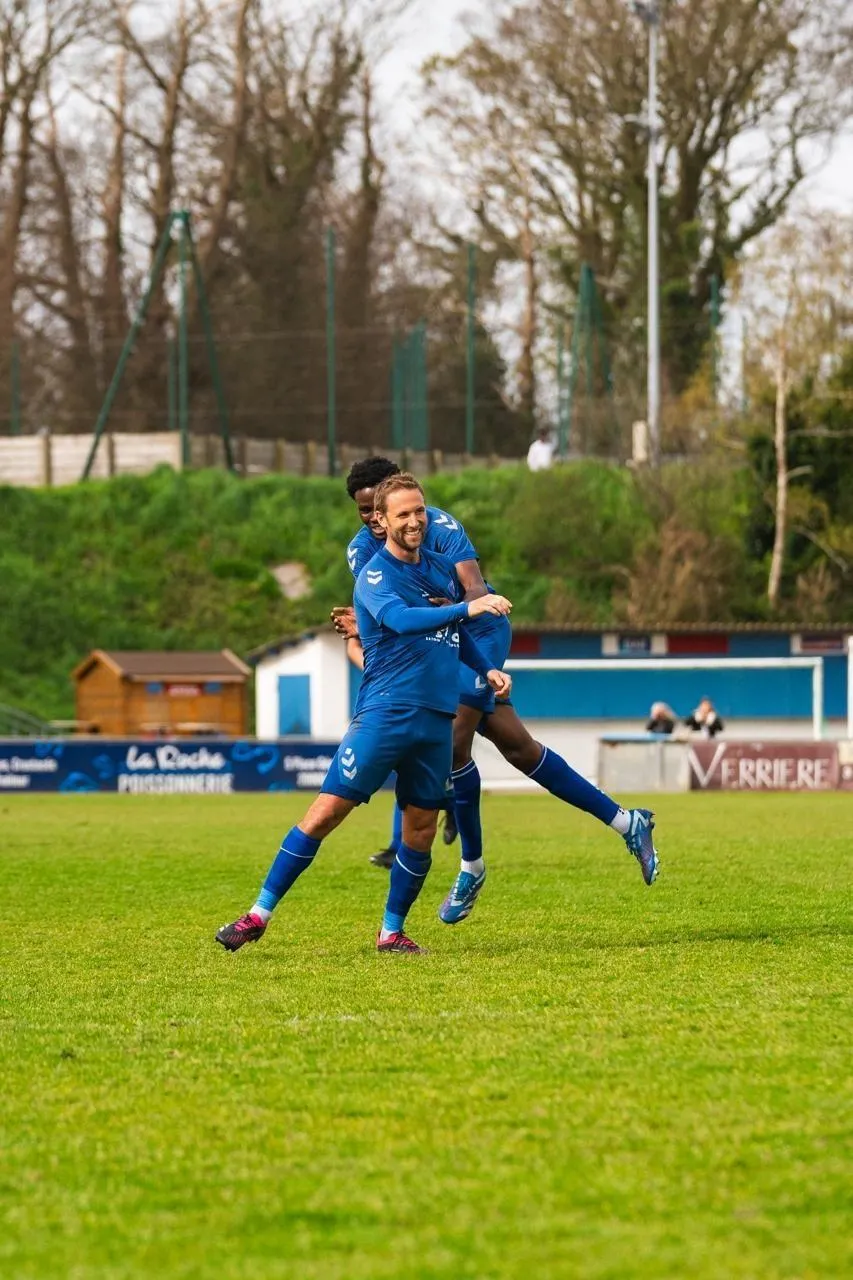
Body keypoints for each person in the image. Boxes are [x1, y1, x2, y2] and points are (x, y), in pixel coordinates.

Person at [334, 457, 661, 927]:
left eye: (375, 508)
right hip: (434, 642)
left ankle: (470, 867)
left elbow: (474, 589)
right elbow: (383, 613)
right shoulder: (362, 549)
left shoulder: (438, 525)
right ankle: (629, 823)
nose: (371, 519)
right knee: (519, 749)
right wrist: (359, 635)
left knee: (450, 742)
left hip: (477, 631)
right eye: (364, 512)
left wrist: (456, 617)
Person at [215, 473, 512, 956]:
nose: (415, 521)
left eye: (419, 511)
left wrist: (485, 669)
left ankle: (391, 932)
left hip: (436, 721)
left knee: (419, 830)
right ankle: (257, 915)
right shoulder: (375, 575)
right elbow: (402, 621)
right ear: (382, 519)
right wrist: (468, 609)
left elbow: (447, 635)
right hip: (386, 715)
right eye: (403, 514)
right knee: (326, 813)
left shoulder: (440, 567)